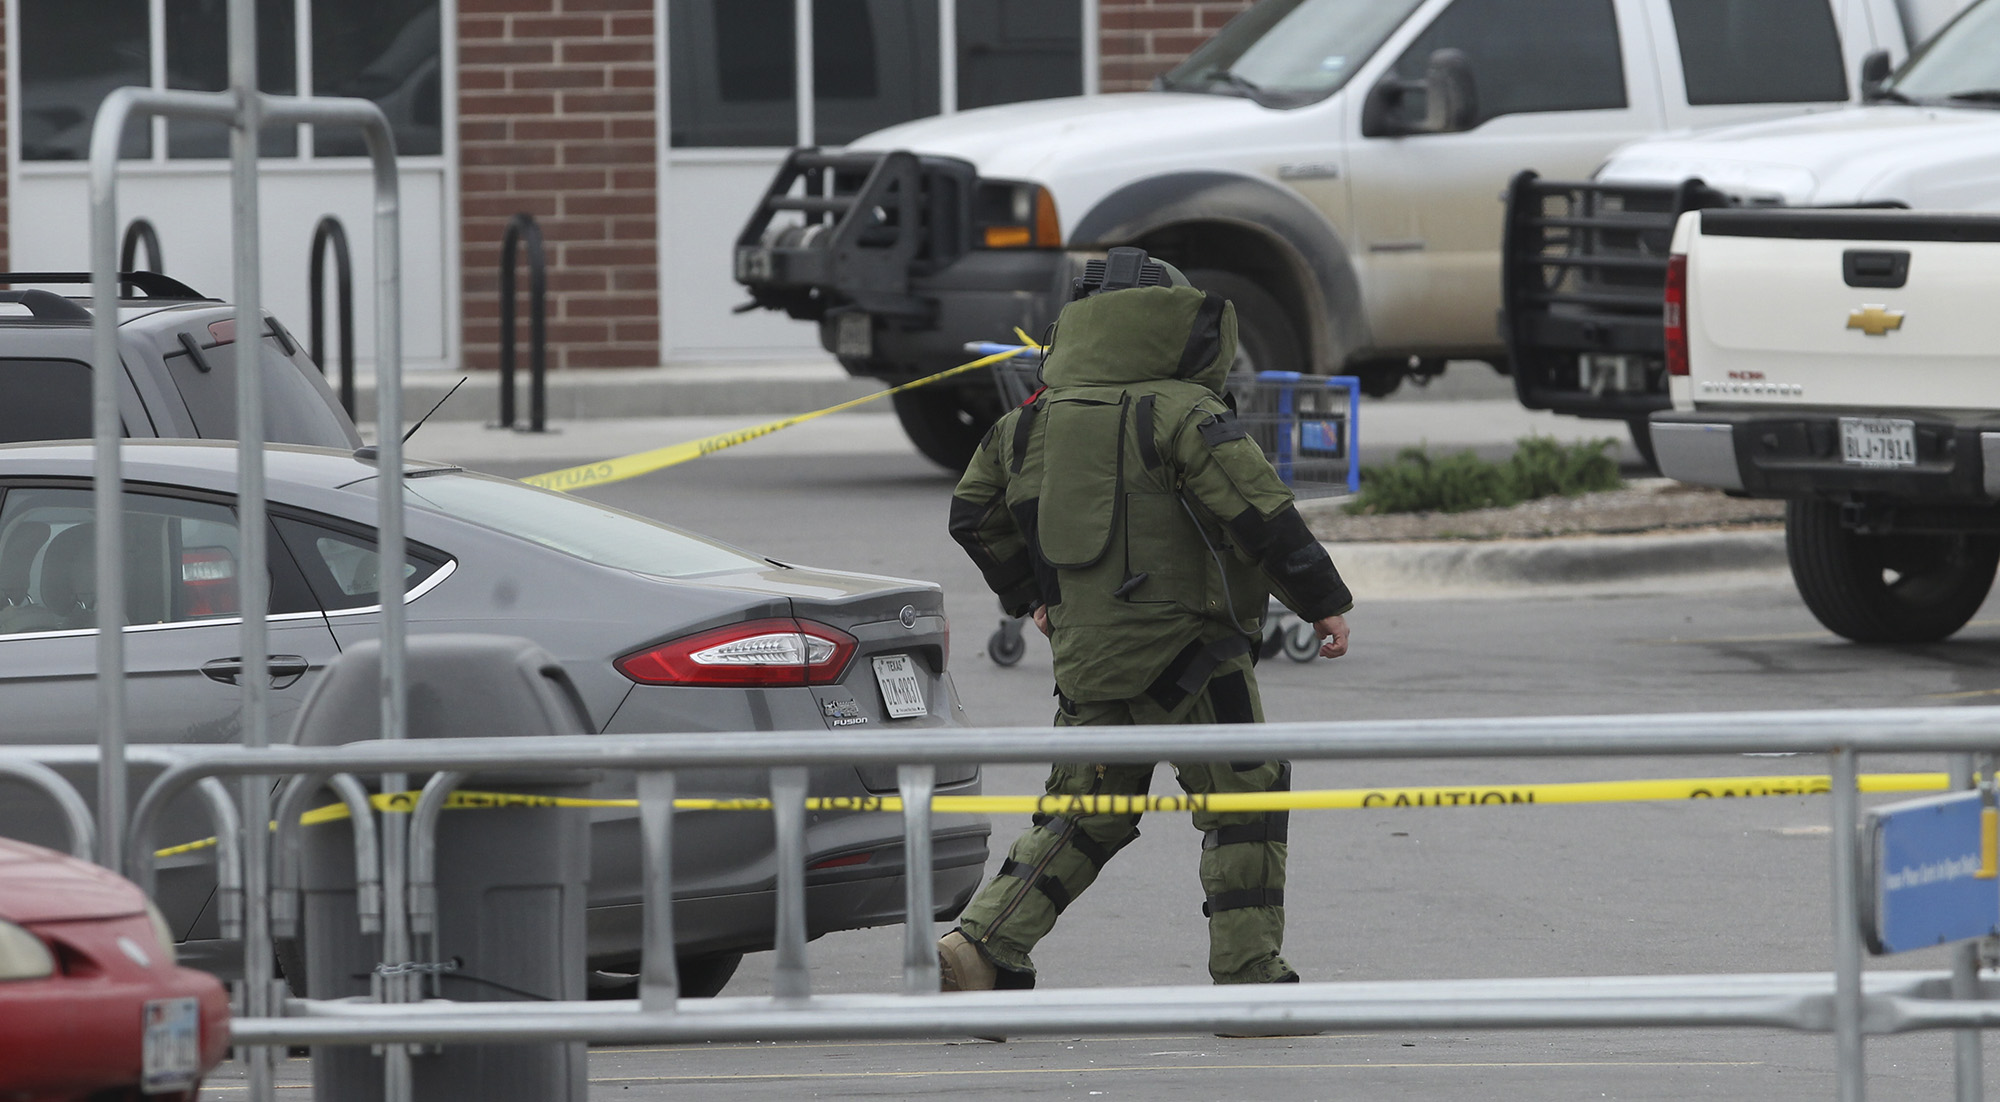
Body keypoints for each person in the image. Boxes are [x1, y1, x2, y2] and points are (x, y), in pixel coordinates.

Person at [941, 248, 1354, 991]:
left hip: (1088, 658)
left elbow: (973, 516)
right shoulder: (1184, 412)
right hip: (1193, 655)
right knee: (1245, 801)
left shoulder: (1027, 422)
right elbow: (1257, 510)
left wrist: (1033, 595)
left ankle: (985, 944)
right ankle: (1250, 975)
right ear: (1172, 324)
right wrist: (1322, 601)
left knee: (1087, 808)